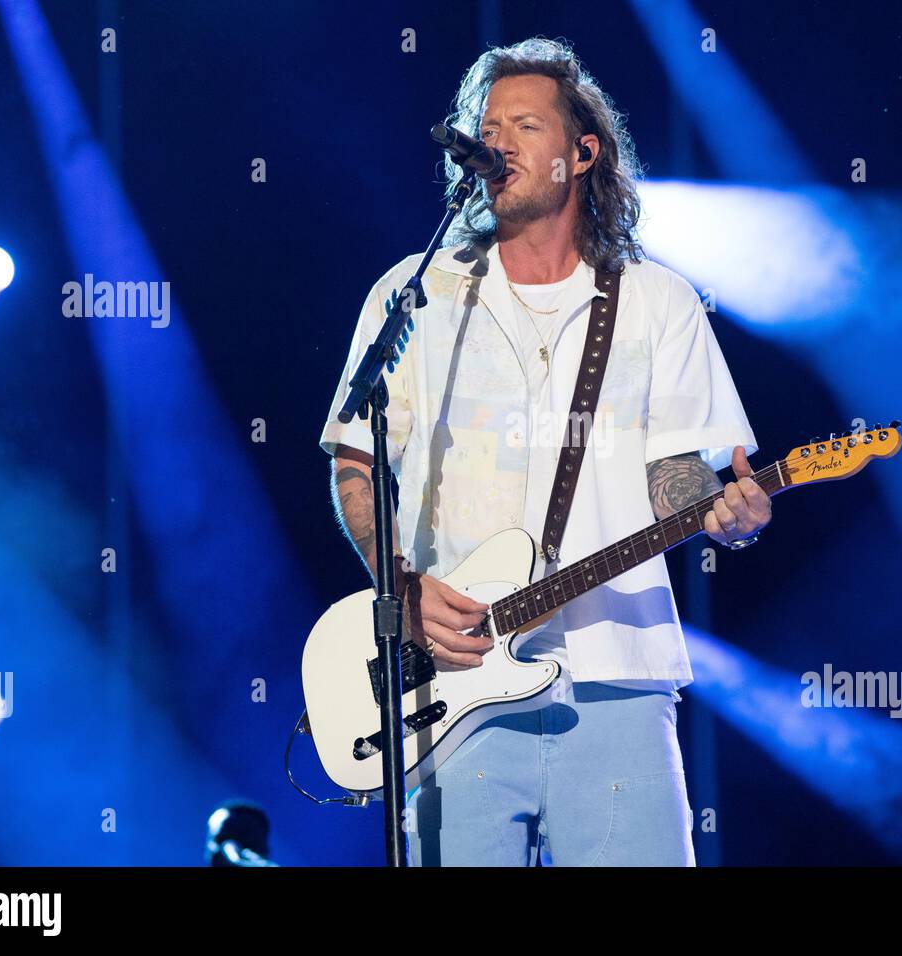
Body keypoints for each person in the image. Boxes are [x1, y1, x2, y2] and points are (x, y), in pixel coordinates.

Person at [320, 38, 768, 866]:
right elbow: (355, 460)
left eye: (525, 124)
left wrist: (724, 514)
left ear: (582, 152)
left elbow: (677, 474)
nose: (500, 142)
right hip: (451, 695)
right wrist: (402, 583)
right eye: (487, 127)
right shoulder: (413, 296)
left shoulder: (654, 300)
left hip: (617, 681)